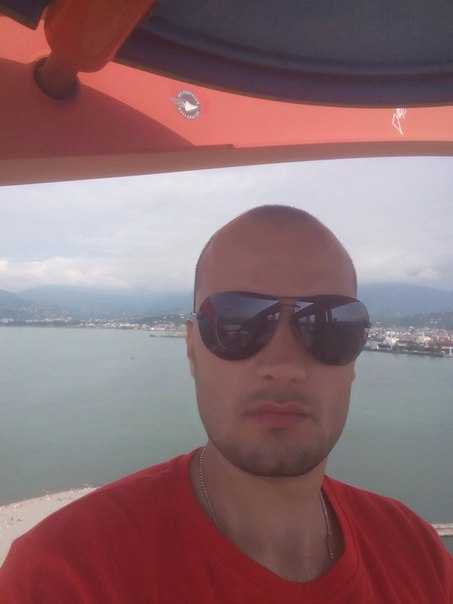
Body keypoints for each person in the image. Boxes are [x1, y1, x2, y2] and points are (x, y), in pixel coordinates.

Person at [0, 205, 452, 603]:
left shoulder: (418, 554)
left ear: (355, 357)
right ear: (192, 349)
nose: (283, 366)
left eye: (329, 326)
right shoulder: (66, 576)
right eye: (239, 321)